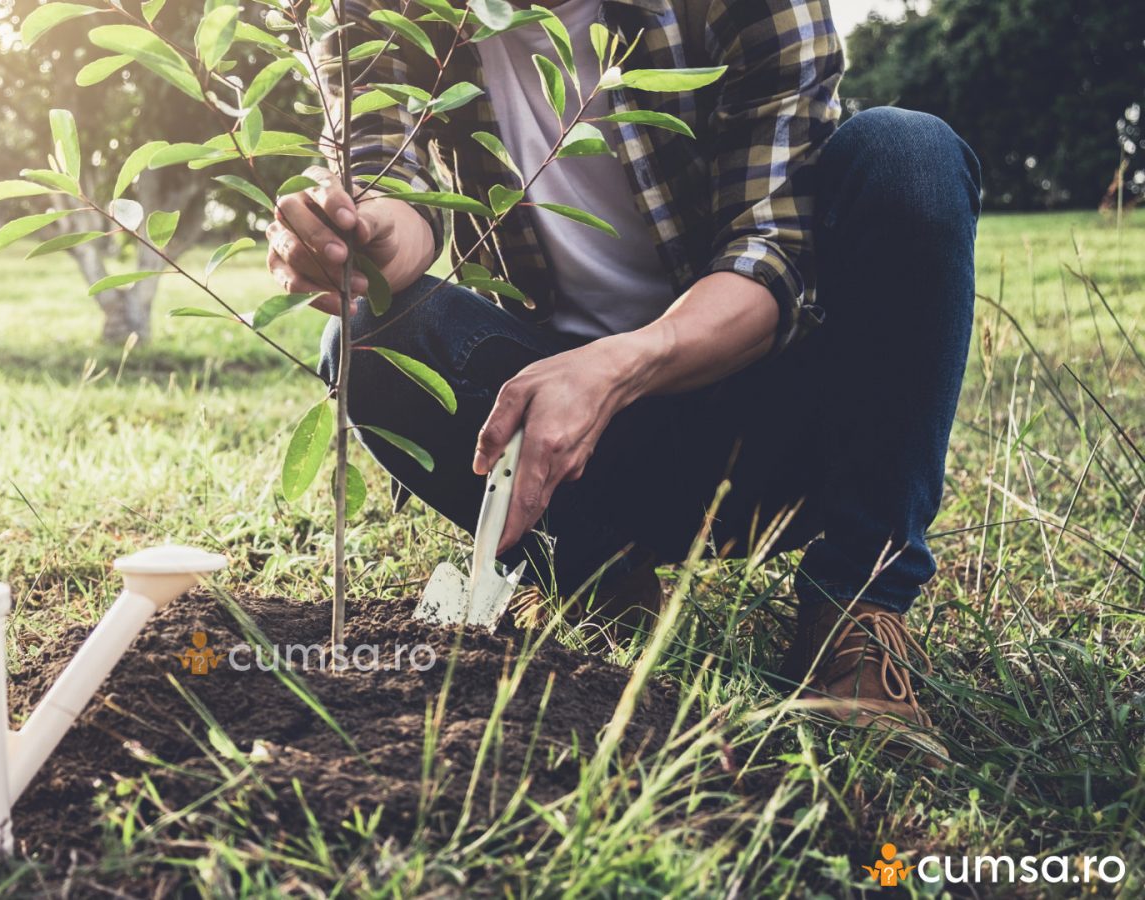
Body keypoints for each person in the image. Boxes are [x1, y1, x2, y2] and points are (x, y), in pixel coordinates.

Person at [264, 0, 980, 737]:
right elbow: (392, 174)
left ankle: (855, 613)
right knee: (368, 337)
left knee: (908, 153)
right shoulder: (389, 11)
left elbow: (773, 252)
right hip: (568, 447)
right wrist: (369, 237)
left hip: (786, 428)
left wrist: (618, 366)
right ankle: (596, 573)